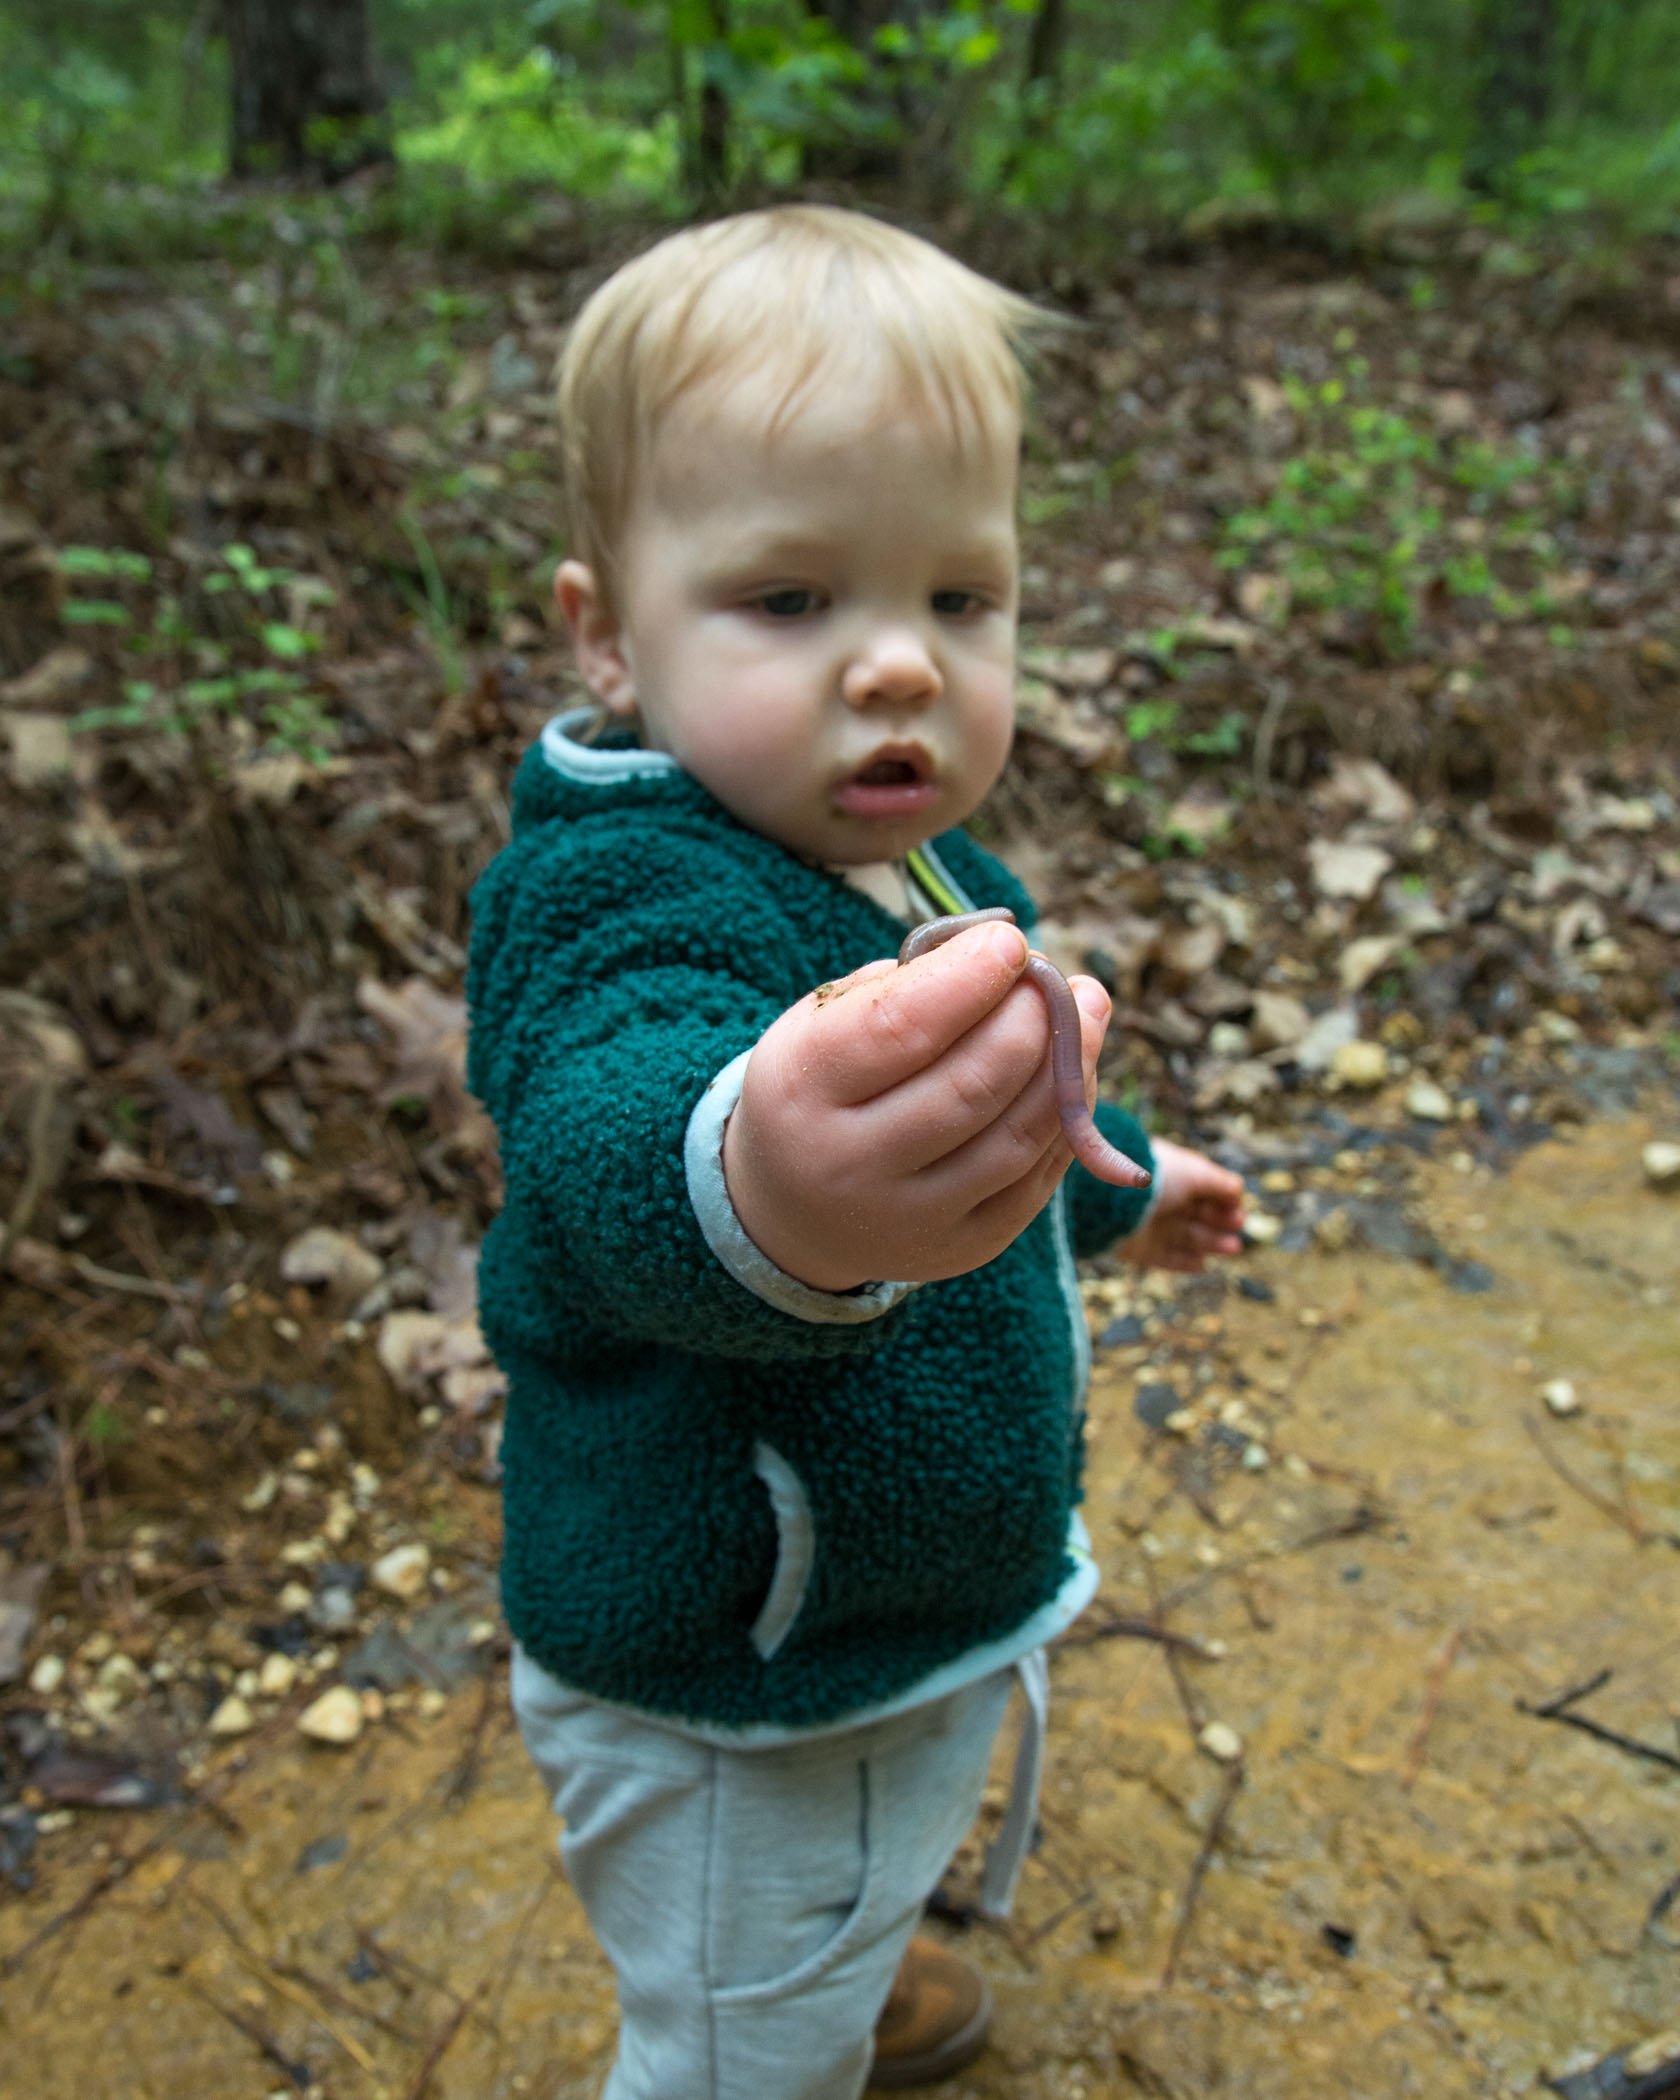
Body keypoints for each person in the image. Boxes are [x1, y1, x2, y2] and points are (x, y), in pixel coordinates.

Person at [465, 203, 1246, 2100]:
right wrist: (758, 1190)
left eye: (957, 602)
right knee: (737, 2021)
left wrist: (1121, 1181)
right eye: (793, 601)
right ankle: (774, 2023)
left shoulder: (904, 853)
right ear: (611, 636)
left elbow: (987, 1089)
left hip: (891, 1610)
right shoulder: (614, 894)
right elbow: (613, 1125)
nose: (897, 668)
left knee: (842, 1878)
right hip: (747, 1664)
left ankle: (846, 1970)